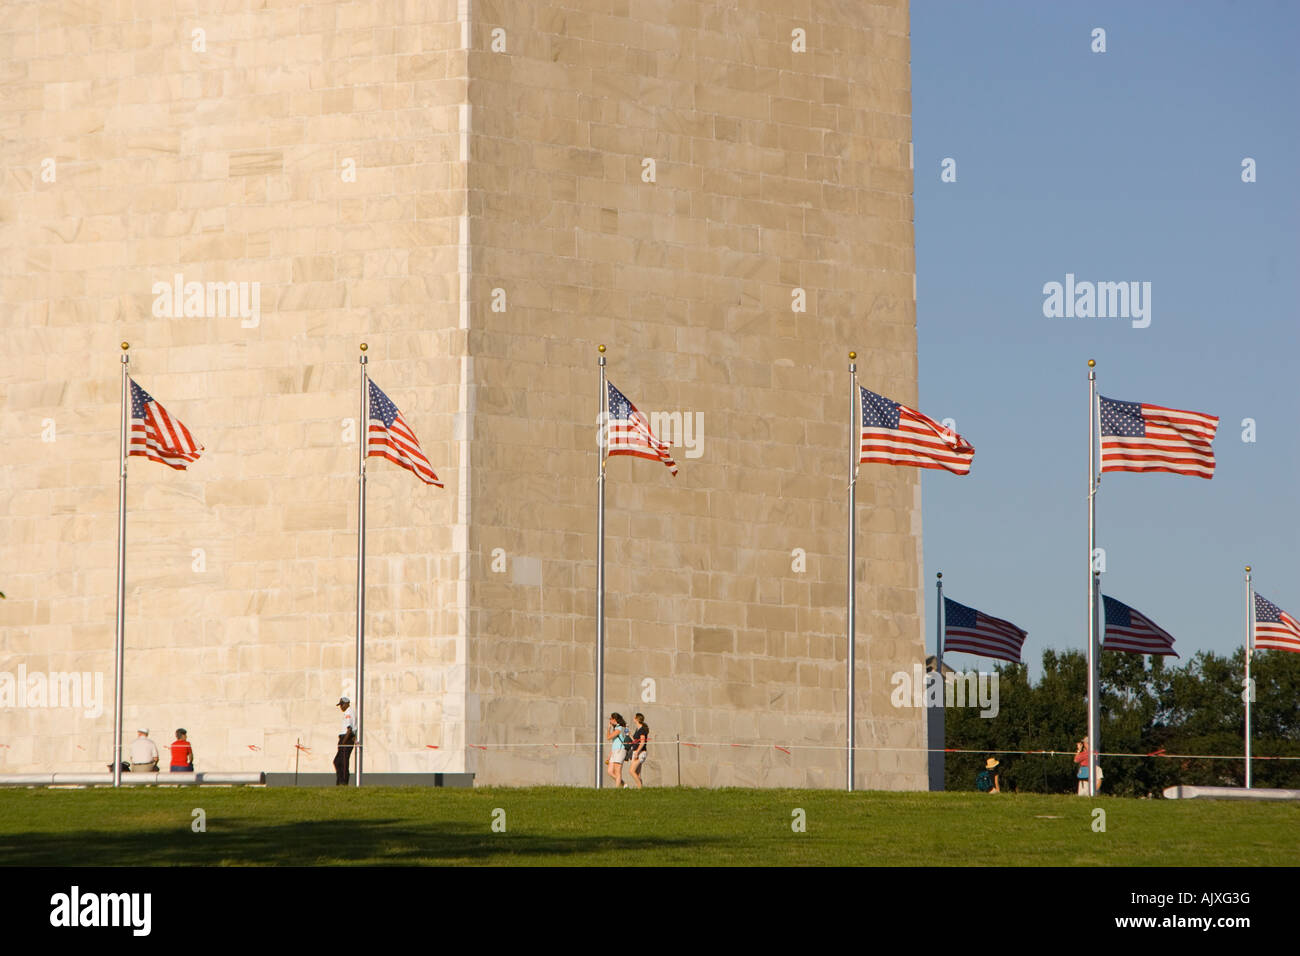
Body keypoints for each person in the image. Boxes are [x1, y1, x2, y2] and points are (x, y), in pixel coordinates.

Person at [334, 696, 356, 786]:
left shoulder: (348, 713)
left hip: (346, 738)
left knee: (343, 762)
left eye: (342, 704)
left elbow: (349, 729)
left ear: (347, 704)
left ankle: (343, 782)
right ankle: (340, 781)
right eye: (340, 705)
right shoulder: (347, 712)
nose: (341, 707)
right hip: (345, 738)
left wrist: (343, 742)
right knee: (337, 761)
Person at [626, 713, 649, 789]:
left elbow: (642, 743)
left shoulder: (642, 729)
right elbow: (636, 741)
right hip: (637, 752)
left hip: (641, 752)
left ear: (637, 719)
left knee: (631, 771)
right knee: (637, 773)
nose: (633, 718)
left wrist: (637, 752)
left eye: (634, 717)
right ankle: (640, 790)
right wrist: (630, 735)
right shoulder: (637, 729)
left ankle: (640, 787)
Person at [605, 713, 628, 788]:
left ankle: (617, 788)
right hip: (615, 751)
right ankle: (624, 784)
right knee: (610, 771)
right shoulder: (616, 728)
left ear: (614, 719)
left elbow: (608, 737)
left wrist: (608, 728)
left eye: (610, 719)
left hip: (620, 750)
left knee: (617, 771)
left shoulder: (619, 728)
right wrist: (609, 756)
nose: (610, 720)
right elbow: (614, 743)